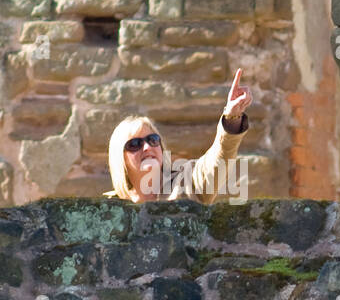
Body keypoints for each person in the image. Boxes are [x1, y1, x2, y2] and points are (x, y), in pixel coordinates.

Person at [105, 69, 252, 204]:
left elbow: (217, 161)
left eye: (153, 140)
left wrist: (232, 118)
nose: (148, 147)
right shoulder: (108, 209)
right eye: (135, 144)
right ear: (120, 158)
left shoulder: (186, 184)